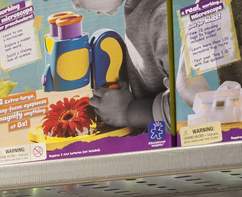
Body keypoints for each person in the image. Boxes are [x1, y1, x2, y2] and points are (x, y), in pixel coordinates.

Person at [70, 0, 171, 131]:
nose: (76, 7)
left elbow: (187, 108)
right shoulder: (141, 7)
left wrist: (127, 110)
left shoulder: (163, 13)